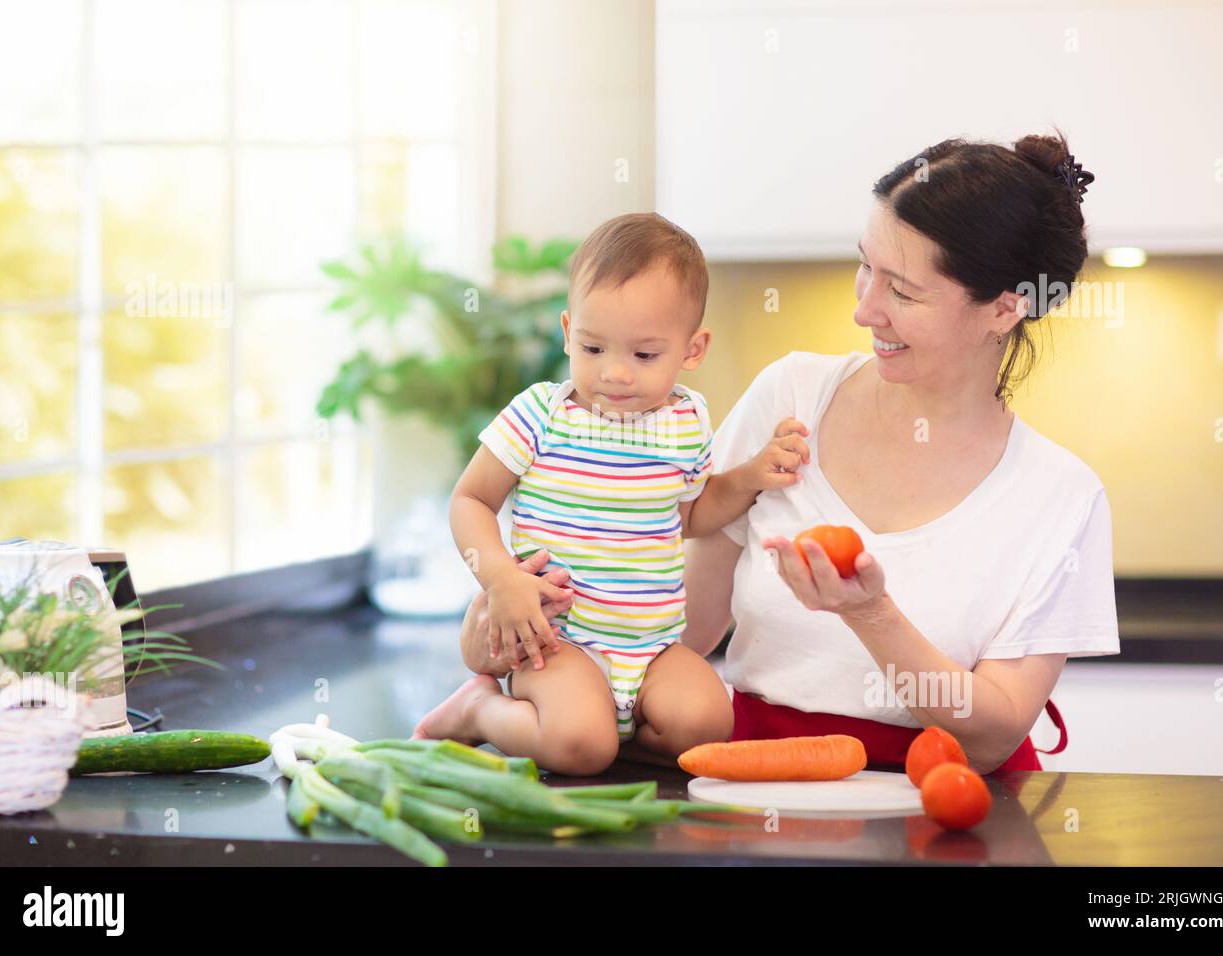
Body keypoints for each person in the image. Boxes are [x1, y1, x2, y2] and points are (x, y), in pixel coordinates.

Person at [454, 132, 1119, 775]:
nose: (864, 310)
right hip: (743, 771)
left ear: (1005, 309)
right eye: (866, 266)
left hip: (947, 804)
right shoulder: (791, 397)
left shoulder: (1060, 496)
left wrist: (869, 613)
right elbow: (673, 620)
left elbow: (995, 733)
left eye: (902, 291)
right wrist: (512, 642)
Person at [414, 212, 807, 774]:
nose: (615, 374)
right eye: (594, 348)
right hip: (559, 639)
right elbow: (470, 500)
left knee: (708, 723)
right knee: (580, 746)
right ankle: (481, 709)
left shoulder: (687, 421)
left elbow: (691, 517)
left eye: (644, 355)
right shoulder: (541, 414)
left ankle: (617, 732)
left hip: (653, 648)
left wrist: (746, 478)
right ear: (569, 330)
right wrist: (500, 578)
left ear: (692, 349)